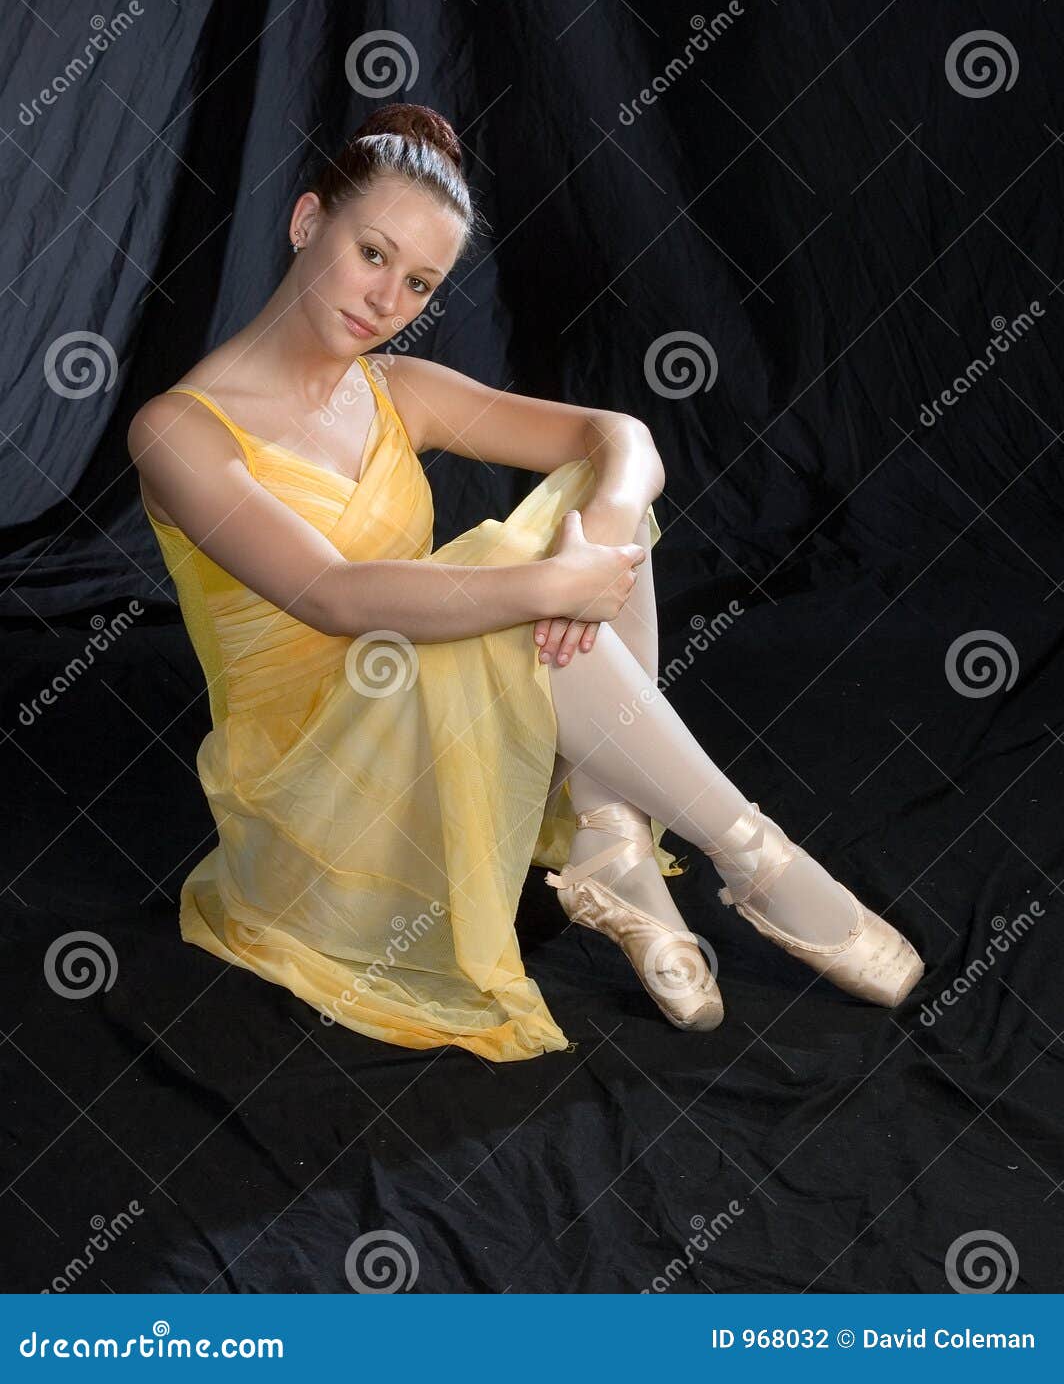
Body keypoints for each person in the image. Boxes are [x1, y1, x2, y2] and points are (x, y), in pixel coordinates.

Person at [129, 103, 924, 1064]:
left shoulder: (395, 391)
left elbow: (621, 438)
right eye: (372, 254)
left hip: (426, 716)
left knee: (583, 509)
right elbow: (332, 596)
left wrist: (605, 538)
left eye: (418, 282)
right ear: (307, 223)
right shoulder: (179, 431)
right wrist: (556, 582)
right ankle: (754, 858)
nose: (387, 299)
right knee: (517, 574)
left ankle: (614, 840)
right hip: (311, 797)